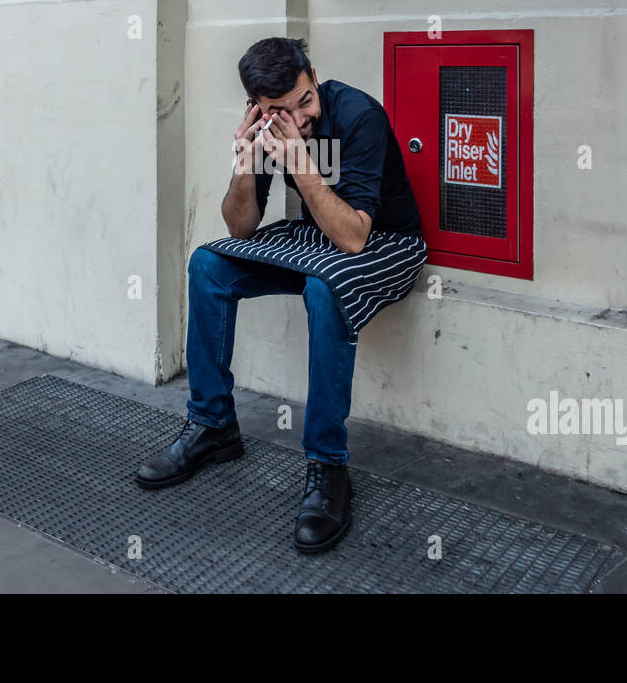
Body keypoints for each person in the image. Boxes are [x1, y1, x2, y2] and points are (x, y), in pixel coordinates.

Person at [135, 36, 426, 553]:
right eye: (277, 111)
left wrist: (302, 165)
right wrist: (246, 161)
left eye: (304, 101)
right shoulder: (267, 129)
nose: (298, 117)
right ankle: (213, 426)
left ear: (313, 78)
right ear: (256, 108)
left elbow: (356, 236)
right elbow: (242, 227)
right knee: (208, 263)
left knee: (324, 287)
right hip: (315, 238)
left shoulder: (359, 116)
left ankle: (327, 465)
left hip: (385, 243)